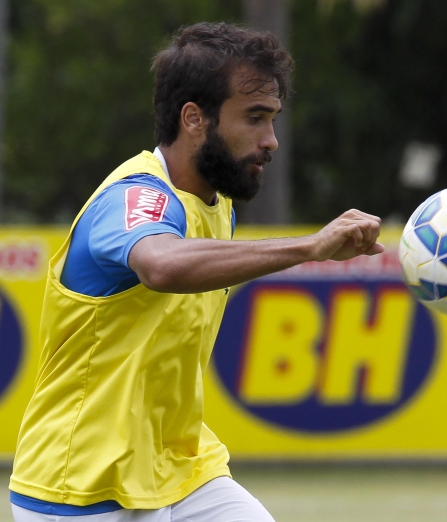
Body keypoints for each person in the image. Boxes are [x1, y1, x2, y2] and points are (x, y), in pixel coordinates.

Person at [8, 22, 382, 522]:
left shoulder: (217, 203)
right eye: (254, 118)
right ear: (194, 119)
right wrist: (309, 247)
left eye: (272, 120)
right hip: (83, 484)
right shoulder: (136, 196)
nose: (270, 140)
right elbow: (160, 264)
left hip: (180, 470)